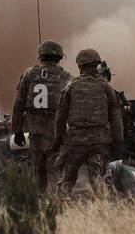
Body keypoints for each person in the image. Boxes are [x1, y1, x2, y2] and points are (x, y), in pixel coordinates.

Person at [52, 48, 123, 194]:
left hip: (75, 142)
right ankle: (103, 210)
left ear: (79, 65)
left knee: (67, 180)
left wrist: (59, 139)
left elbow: (60, 117)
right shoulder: (106, 87)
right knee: (98, 181)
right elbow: (116, 116)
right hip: (99, 142)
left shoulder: (70, 86)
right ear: (97, 64)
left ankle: (62, 211)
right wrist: (118, 141)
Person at [11, 40, 69, 191]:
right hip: (54, 131)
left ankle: (38, 204)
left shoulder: (29, 74)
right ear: (59, 58)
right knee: (54, 170)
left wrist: (17, 130)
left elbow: (19, 104)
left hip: (35, 131)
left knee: (37, 170)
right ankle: (55, 205)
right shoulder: (64, 76)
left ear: (41, 56)